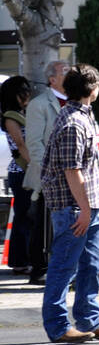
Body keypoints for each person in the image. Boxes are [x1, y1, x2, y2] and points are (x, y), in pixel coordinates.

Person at [40, 64, 99, 343]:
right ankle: (58, 327)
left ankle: (89, 320)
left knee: (92, 264)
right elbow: (71, 170)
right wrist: (85, 210)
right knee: (64, 267)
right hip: (74, 208)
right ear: (92, 89)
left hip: (86, 205)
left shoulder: (83, 116)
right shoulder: (74, 122)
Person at [22, 60, 67, 284]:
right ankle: (39, 268)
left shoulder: (76, 101)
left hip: (69, 175)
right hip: (47, 177)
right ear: (52, 79)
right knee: (42, 222)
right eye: (65, 71)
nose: (70, 75)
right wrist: (50, 172)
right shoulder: (39, 104)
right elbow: (34, 143)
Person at [1, 76, 32, 273]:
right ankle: (19, 261)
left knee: (26, 216)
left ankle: (23, 259)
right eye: (24, 92)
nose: (28, 95)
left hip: (25, 170)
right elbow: (20, 145)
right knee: (23, 217)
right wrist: (36, 165)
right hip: (21, 171)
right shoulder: (10, 116)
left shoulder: (21, 113)